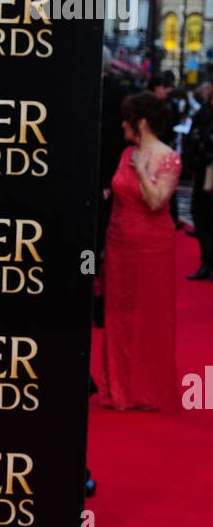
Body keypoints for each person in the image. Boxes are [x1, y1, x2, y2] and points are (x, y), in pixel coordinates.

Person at [101, 92, 182, 412]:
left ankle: (147, 390)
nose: (122, 124)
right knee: (118, 315)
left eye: (127, 119)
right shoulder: (125, 153)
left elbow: (156, 201)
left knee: (150, 317)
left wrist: (138, 171)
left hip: (153, 248)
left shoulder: (169, 158)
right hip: (119, 243)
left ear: (143, 123)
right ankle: (119, 389)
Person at [184, 81, 213, 280]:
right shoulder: (203, 111)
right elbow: (192, 135)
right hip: (203, 170)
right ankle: (207, 261)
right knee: (199, 213)